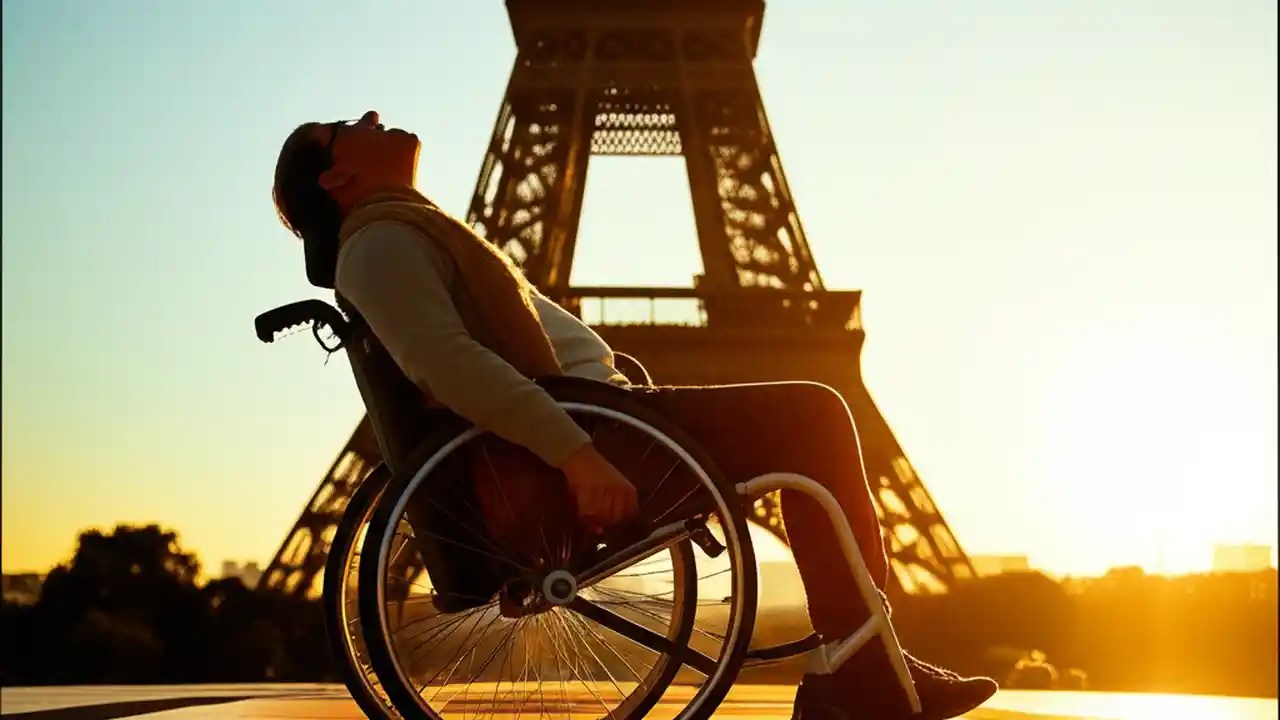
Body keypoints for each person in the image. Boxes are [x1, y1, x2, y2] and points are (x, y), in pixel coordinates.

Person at [271, 110, 997, 719]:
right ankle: (866, 667)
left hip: (605, 423)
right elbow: (451, 366)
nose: (368, 118)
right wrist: (577, 455)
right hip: (596, 437)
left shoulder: (405, 234)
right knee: (814, 415)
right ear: (337, 180)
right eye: (343, 128)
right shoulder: (379, 245)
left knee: (812, 419)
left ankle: (867, 659)